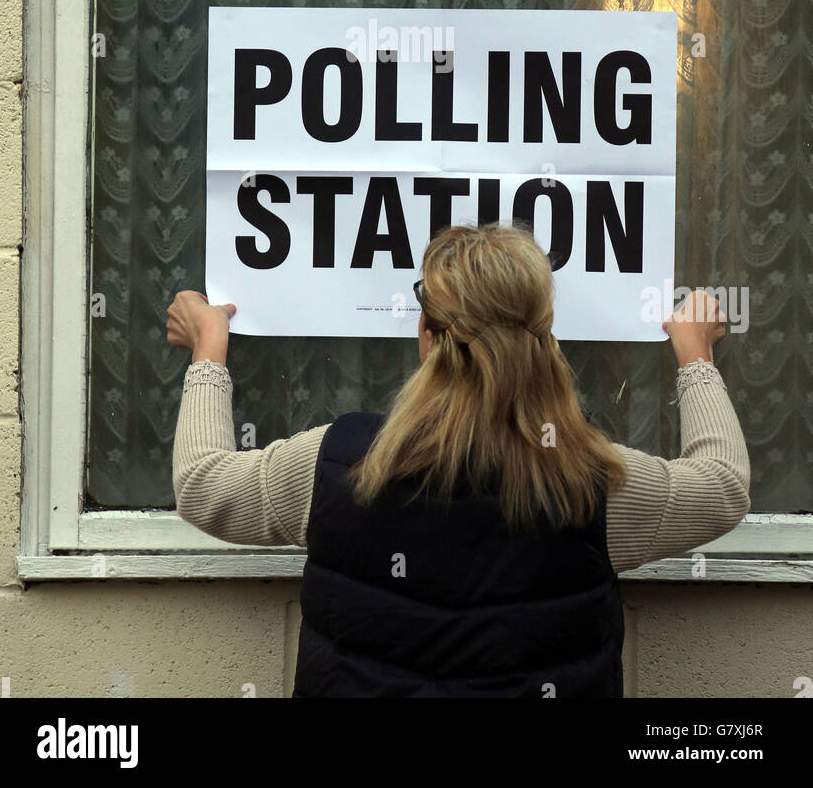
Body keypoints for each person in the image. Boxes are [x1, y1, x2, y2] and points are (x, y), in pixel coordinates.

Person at [167, 222, 749, 698]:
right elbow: (722, 486)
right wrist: (695, 356)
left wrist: (208, 349)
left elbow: (202, 484)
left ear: (427, 334)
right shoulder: (588, 481)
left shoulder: (338, 464)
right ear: (544, 338)